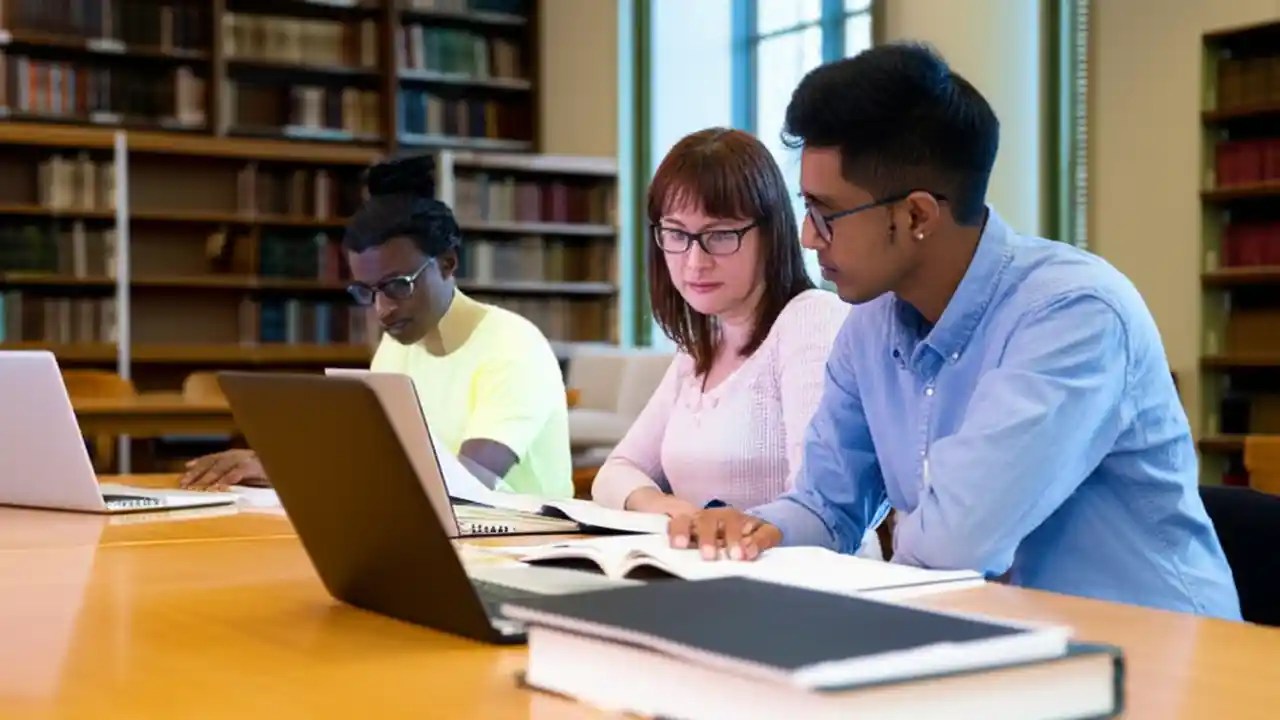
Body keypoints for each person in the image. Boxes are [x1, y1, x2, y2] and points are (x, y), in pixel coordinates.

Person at [669, 44, 1241, 618]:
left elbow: (954, 549)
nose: (809, 238)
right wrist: (754, 530)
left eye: (826, 213)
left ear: (917, 215)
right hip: (1003, 649)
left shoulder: (1073, 315)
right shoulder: (868, 326)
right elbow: (827, 505)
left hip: (1164, 659)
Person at [181, 155, 574, 499]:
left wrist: (297, 470)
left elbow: (469, 485)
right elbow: (375, 466)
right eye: (366, 291)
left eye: (397, 286)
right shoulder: (397, 347)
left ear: (448, 263)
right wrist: (277, 467)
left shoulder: (512, 346)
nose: (382, 310)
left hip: (525, 548)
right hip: (437, 538)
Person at [591, 127, 881, 560]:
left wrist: (725, 526)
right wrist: (666, 508)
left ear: (770, 233)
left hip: (810, 584)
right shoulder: (700, 344)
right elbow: (614, 473)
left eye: (721, 235)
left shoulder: (810, 319)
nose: (694, 261)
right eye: (676, 234)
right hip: (712, 576)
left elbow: (819, 502)